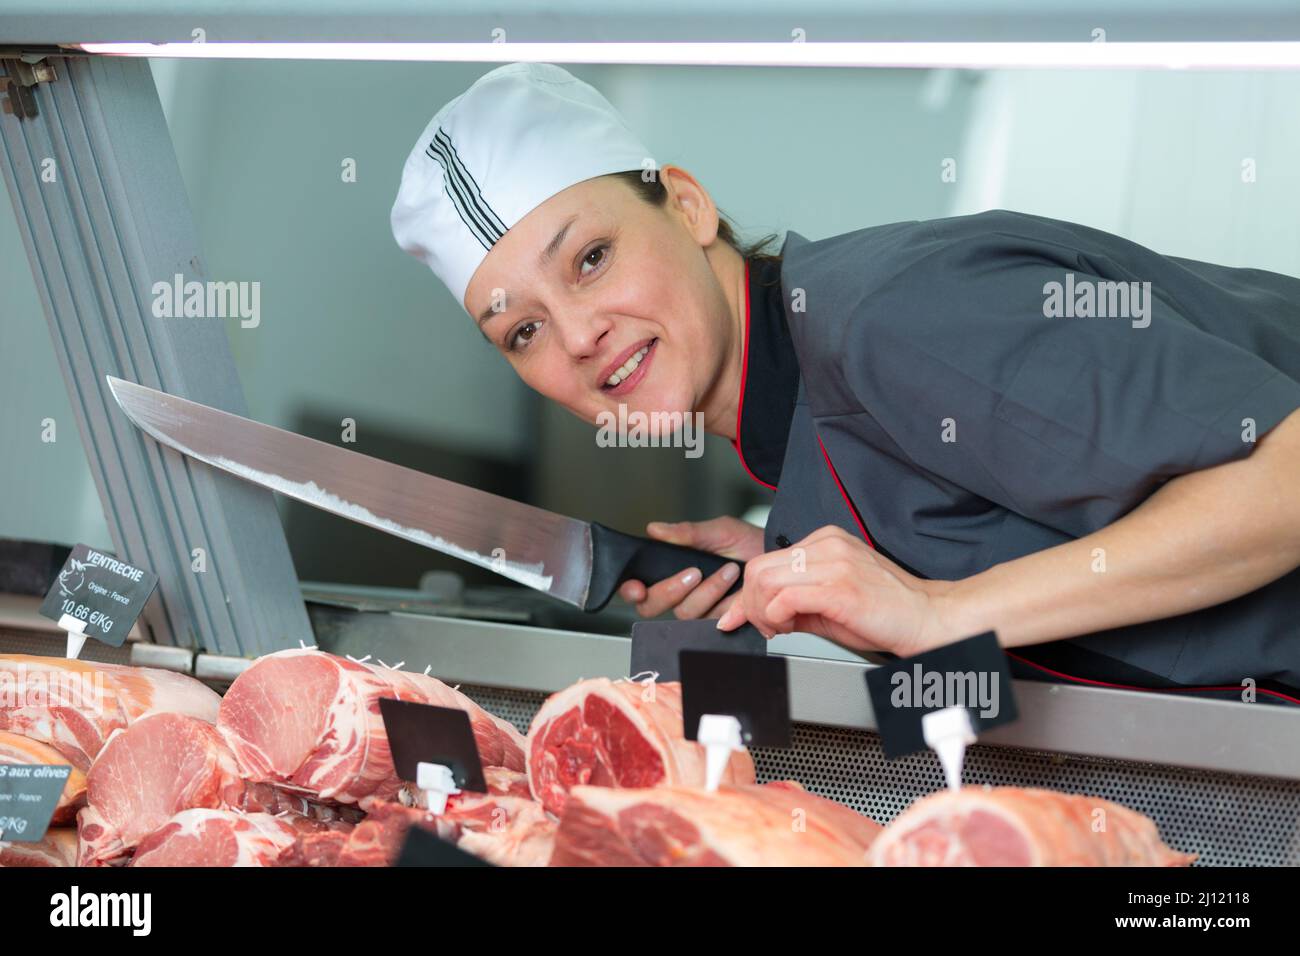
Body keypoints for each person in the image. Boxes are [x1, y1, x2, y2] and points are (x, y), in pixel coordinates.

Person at [391, 62, 1300, 703]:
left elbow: (1286, 477)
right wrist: (816, 623)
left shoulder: (894, 318)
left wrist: (940, 608)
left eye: (591, 257)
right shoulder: (809, 465)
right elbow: (1023, 697)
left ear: (688, 202)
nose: (580, 336)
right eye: (523, 330)